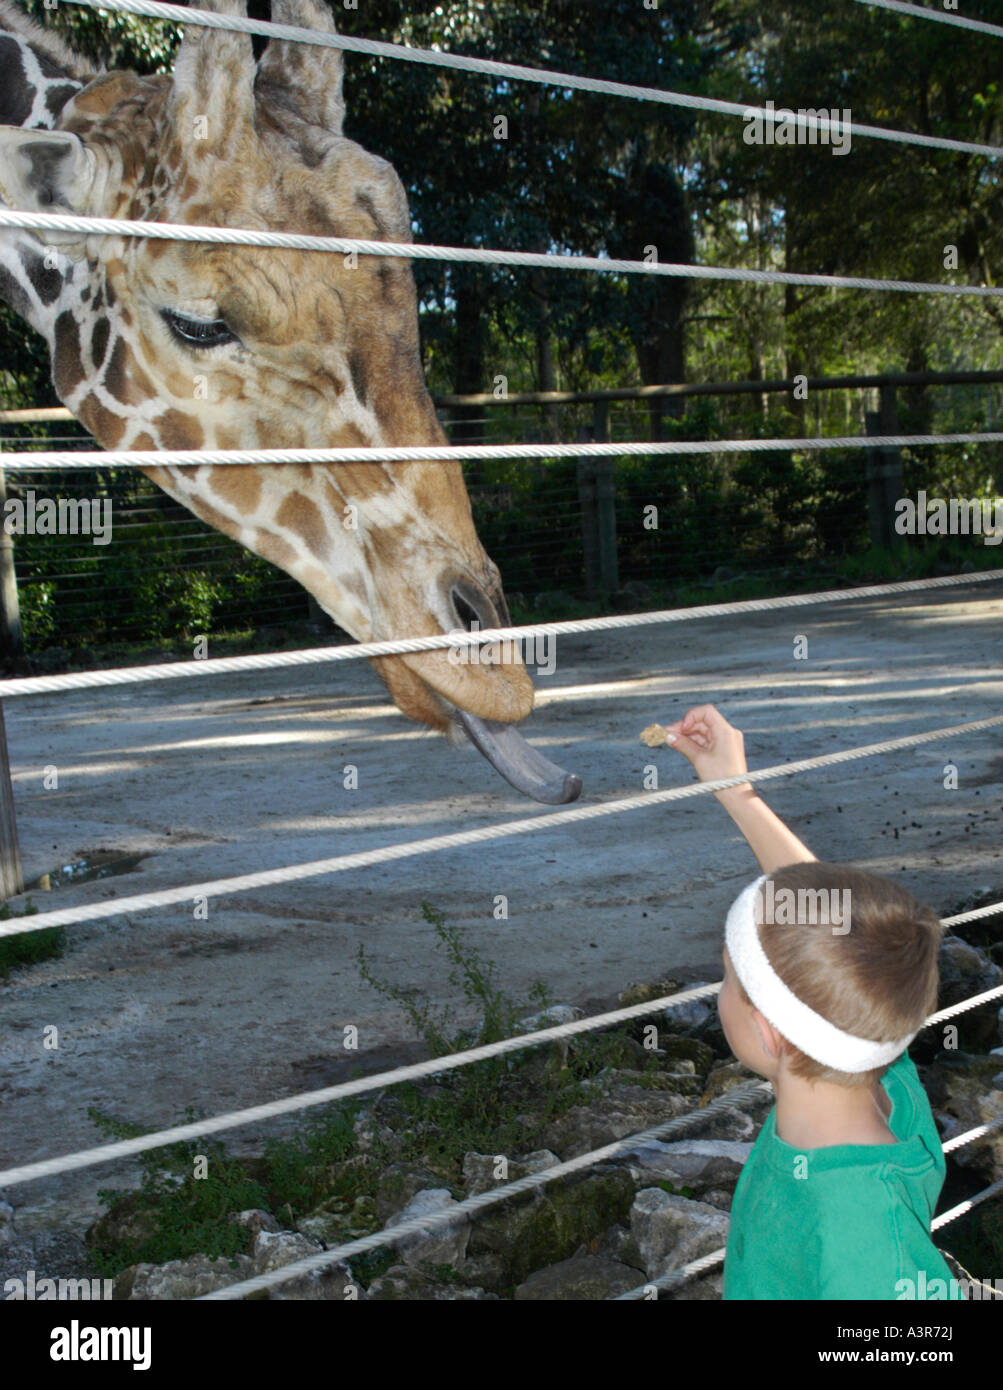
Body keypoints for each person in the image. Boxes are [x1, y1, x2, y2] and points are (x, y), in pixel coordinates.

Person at [658, 703, 960, 1300]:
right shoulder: (878, 1070)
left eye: (728, 976)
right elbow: (835, 932)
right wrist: (734, 791)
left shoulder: (864, 1238)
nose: (718, 988)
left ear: (770, 1030)